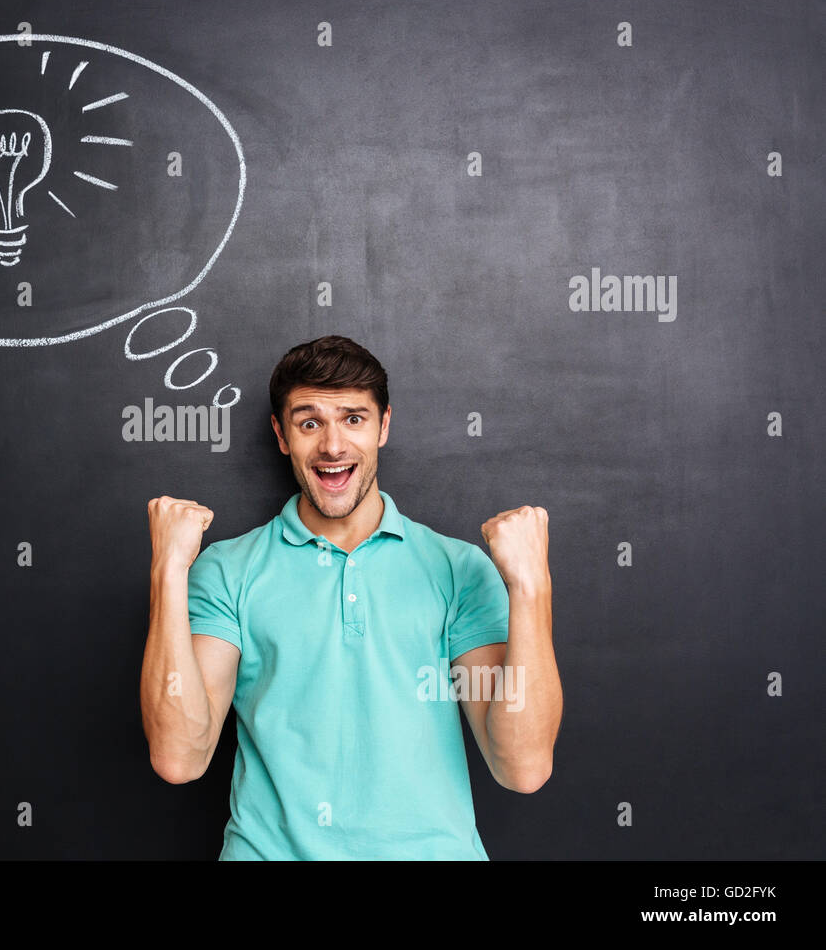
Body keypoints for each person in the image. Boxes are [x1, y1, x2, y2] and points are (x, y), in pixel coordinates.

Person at [140, 335, 563, 859]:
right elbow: (180, 758)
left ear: (384, 426)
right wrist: (167, 571)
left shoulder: (459, 570)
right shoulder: (227, 571)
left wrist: (531, 588)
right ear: (281, 435)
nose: (333, 446)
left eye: (354, 419)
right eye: (309, 422)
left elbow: (522, 767)